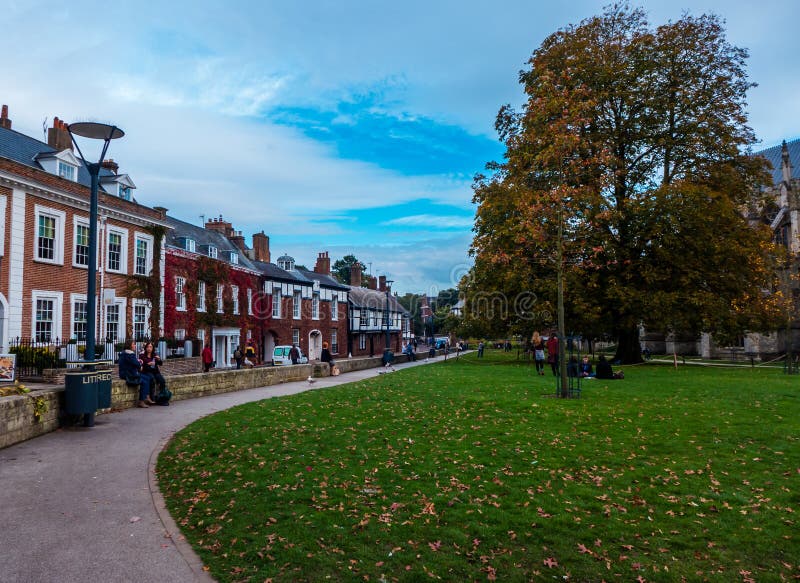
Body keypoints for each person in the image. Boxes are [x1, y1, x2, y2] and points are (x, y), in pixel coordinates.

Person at [119, 340, 152, 408]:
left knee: (147, 378)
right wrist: (140, 366)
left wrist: (138, 364)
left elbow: (134, 363)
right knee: (144, 381)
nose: (135, 345)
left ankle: (146, 396)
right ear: (130, 345)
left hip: (126, 373)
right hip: (129, 375)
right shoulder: (130, 354)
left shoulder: (125, 353)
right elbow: (136, 364)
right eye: (133, 344)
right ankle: (141, 401)